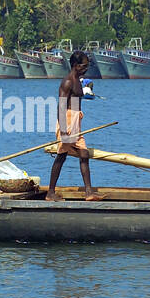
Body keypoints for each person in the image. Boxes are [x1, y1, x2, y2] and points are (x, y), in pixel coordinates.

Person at [46, 51, 103, 202]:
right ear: (76, 66)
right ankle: (50, 193)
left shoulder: (78, 80)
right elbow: (61, 107)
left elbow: (76, 103)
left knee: (84, 155)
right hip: (67, 121)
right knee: (61, 156)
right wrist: (64, 130)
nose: (86, 68)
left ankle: (89, 193)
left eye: (87, 65)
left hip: (76, 120)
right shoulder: (68, 82)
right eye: (84, 66)